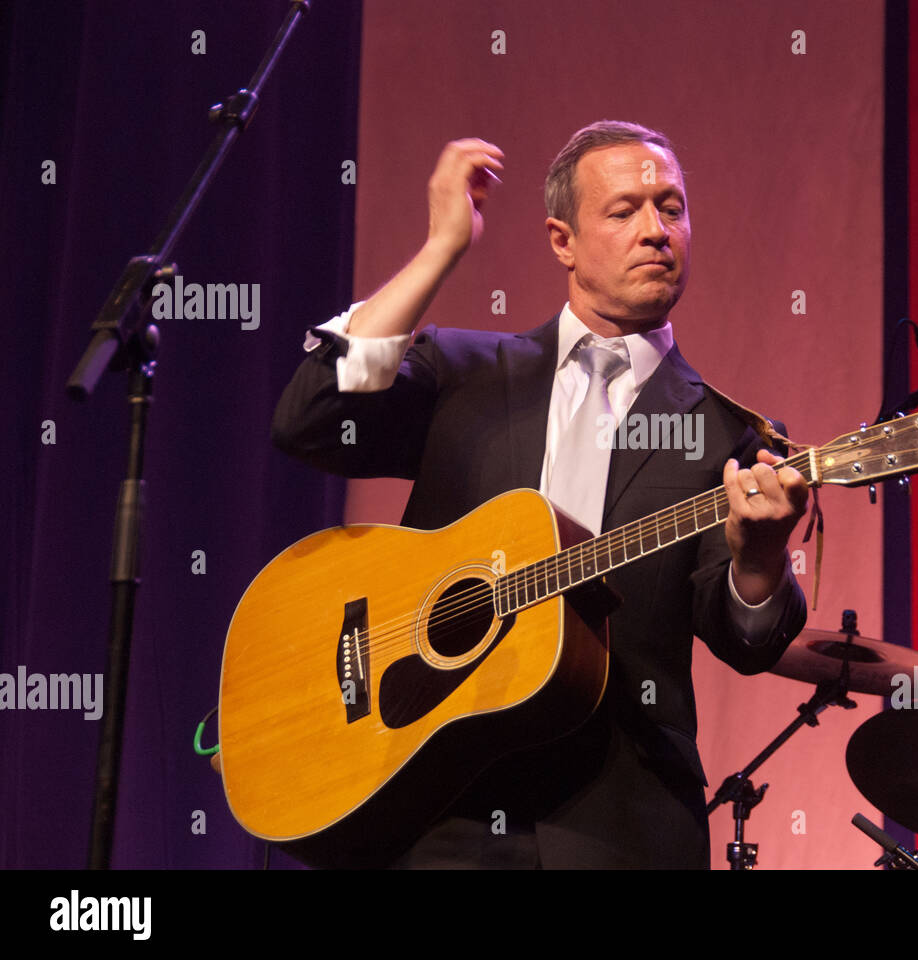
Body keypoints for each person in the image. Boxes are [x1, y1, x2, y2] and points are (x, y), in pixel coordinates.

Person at [270, 121, 809, 867]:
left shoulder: (731, 435)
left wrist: (761, 560)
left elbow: (750, 640)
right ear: (562, 241)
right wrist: (441, 251)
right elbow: (311, 420)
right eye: (624, 211)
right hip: (436, 804)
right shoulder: (468, 371)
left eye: (672, 207)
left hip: (618, 821)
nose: (657, 231)